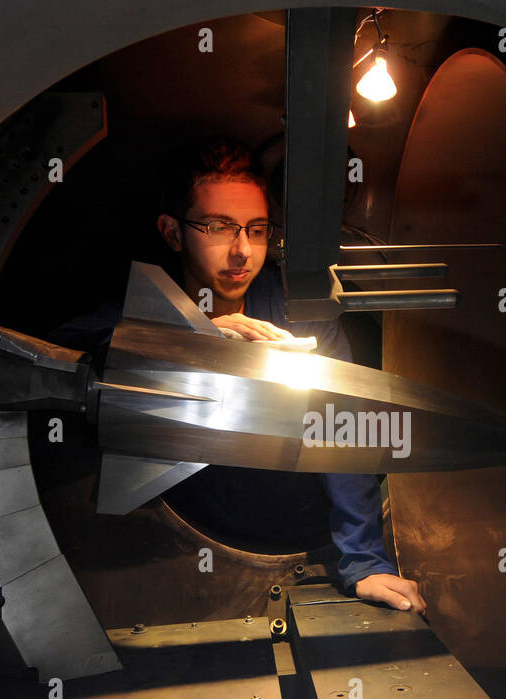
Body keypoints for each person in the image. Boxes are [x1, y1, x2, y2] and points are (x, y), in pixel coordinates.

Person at [55, 136, 427, 615]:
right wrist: (188, 336)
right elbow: (65, 346)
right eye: (218, 227)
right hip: (192, 536)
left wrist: (366, 562)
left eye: (256, 229)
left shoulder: (300, 314)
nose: (242, 251)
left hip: (297, 536)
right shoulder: (147, 307)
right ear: (172, 233)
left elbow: (342, 436)